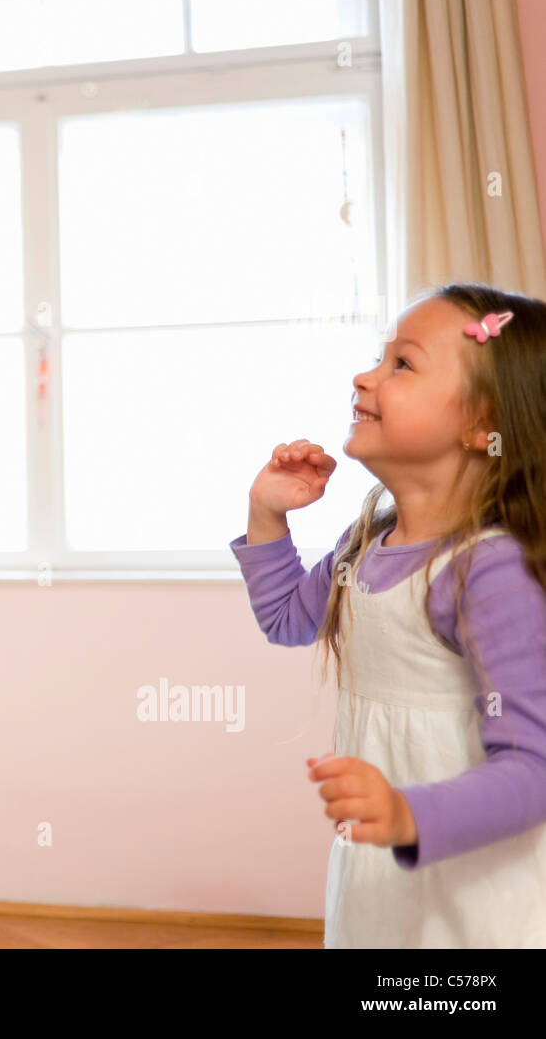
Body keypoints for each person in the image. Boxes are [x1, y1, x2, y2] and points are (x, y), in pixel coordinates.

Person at [231, 283, 546, 948]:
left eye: (401, 364)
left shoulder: (485, 570)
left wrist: (408, 812)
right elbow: (288, 619)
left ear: (481, 424)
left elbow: (534, 769)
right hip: (383, 869)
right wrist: (267, 516)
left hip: (472, 887)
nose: (363, 377)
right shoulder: (366, 540)